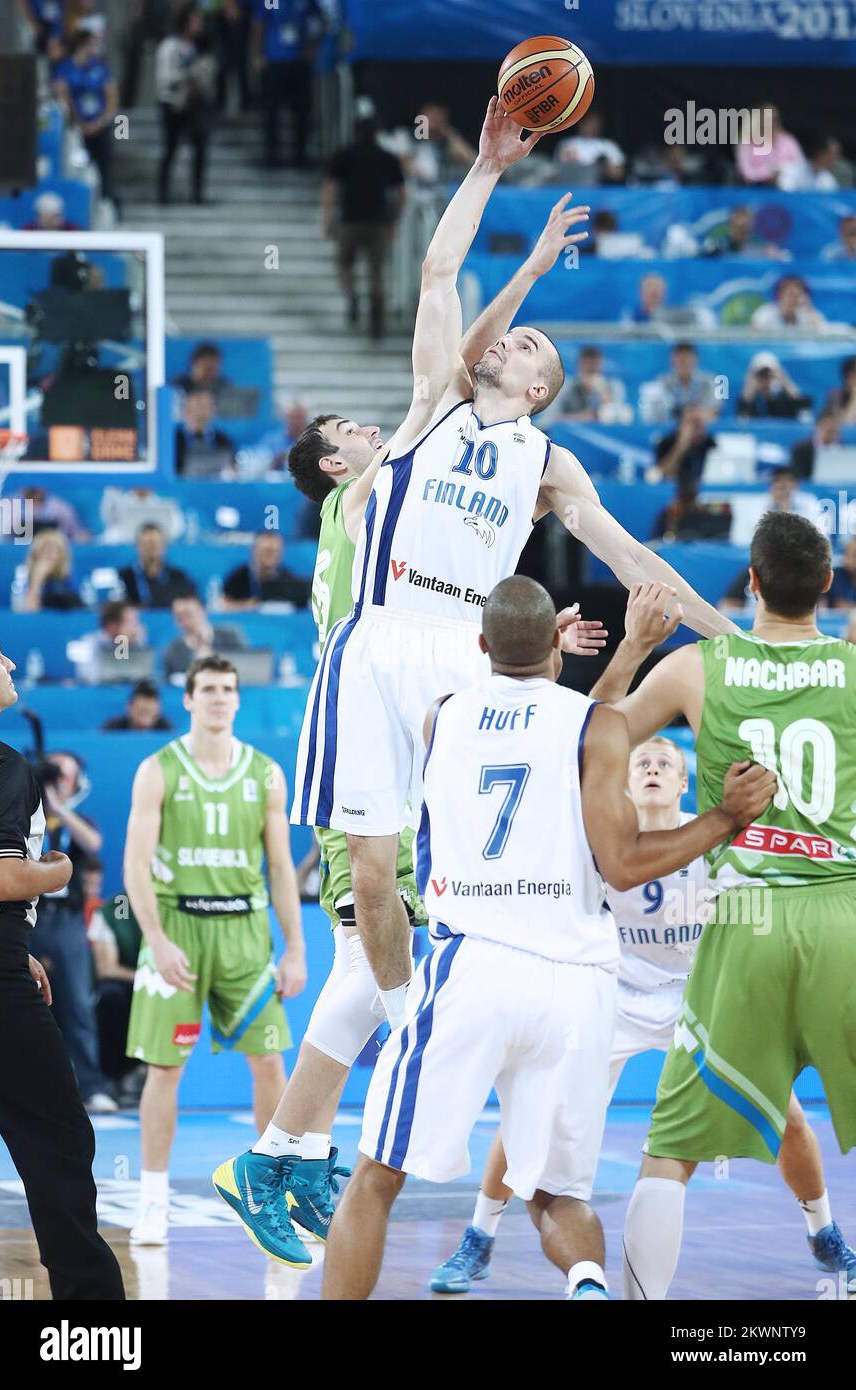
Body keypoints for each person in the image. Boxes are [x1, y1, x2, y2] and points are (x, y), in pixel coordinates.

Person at [213, 100, 734, 1269]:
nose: (515, 338)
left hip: (470, 664)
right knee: (366, 869)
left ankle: (387, 1093)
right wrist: (487, 168)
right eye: (512, 332)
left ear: (543, 384)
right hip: (382, 638)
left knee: (451, 885)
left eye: (533, 340)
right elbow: (443, 265)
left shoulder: (547, 461)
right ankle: (406, 1048)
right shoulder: (427, 411)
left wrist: (730, 635)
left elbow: (631, 560)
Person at [319, 576, 773, 1300]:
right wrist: (722, 818)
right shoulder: (593, 728)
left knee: (375, 1177)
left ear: (480, 647)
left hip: (474, 969)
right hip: (577, 982)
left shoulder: (442, 717)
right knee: (559, 1195)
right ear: (555, 654)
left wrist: (576, 652)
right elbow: (618, 852)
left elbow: (544, 709)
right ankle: (588, 1283)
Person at [433, 626, 854, 1294]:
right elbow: (577, 744)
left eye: (665, 764)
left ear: (685, 780)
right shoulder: (603, 829)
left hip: (697, 993)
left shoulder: (726, 835)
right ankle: (478, 1236)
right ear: (624, 778)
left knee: (788, 1117)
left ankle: (823, 1229)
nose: (653, 768)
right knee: (534, 1117)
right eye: (641, 764)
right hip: (617, 993)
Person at [584, 513, 856, 1300]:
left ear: (753, 582)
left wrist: (633, 649)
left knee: (670, 1151)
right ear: (828, 586)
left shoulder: (699, 668)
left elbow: (595, 740)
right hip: (842, 905)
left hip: (744, 913)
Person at [123, 655, 306, 1246]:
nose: (220, 698)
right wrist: (154, 939)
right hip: (178, 929)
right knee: (164, 1070)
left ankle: (267, 1196)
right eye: (208, 689)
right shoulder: (158, 769)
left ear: (237, 698)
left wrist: (295, 948)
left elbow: (280, 867)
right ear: (188, 698)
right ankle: (153, 1199)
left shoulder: (265, 774)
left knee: (271, 1064)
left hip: (245, 936)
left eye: (229, 689)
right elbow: (134, 864)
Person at [0, 633, 124, 1299]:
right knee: (60, 1146)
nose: (11, 662)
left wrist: (19, 946)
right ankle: (94, 1321)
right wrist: (60, 870)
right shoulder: (5, 765)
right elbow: (5, 878)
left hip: (7, 959)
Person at [31, 751, 117, 1112]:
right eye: (55, 774)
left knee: (78, 1003)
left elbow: (93, 844)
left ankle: (90, 1085)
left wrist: (59, 806)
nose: (59, 781)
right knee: (22, 1001)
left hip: (67, 920)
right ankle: (26, 1086)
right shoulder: (27, 814)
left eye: (65, 776)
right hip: (31, 914)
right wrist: (38, 797)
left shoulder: (77, 820)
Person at [323, 117, 406, 340]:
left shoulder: (344, 155)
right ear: (377, 133)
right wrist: (394, 220)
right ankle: (377, 324)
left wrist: (327, 219)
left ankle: (351, 295)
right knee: (377, 274)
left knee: (343, 263)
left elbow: (330, 188)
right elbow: (401, 193)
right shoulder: (387, 158)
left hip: (349, 221)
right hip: (378, 223)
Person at [87, 891, 144, 1105]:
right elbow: (106, 968)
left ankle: (148, 1071)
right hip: (128, 986)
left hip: (166, 983)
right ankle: (117, 1074)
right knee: (110, 996)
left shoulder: (174, 904)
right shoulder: (113, 911)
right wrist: (145, 978)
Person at [252, 0, 323, 169]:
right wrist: (257, 53)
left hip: (299, 61)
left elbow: (318, 22)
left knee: (302, 110)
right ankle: (271, 155)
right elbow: (259, 23)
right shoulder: (272, 1)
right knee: (271, 111)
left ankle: (300, 155)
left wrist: (312, 49)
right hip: (275, 60)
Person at [53, 29, 119, 209]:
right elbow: (62, 98)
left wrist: (99, 123)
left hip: (100, 128)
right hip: (76, 130)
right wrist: (79, 124)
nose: (96, 47)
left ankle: (108, 207)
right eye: (92, 43)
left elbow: (112, 100)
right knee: (78, 171)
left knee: (105, 170)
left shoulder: (101, 68)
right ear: (82, 44)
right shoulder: (65, 68)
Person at [155, 4, 214, 205]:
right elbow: (164, 77)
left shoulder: (200, 46)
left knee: (200, 146)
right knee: (171, 148)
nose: (199, 25)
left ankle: (197, 192)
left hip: (194, 103)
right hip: (172, 103)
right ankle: (162, 193)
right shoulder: (169, 46)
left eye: (201, 21)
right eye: (195, 21)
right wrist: (188, 77)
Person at [729, 467, 825, 548]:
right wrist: (781, 508)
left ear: (796, 484)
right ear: (771, 485)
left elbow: (819, 534)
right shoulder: (758, 504)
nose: (783, 486)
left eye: (789, 481)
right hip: (766, 555)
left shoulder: (809, 502)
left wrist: (787, 508)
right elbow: (758, 533)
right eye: (778, 481)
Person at [163, 593, 247, 682]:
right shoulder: (173, 650)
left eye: (188, 614)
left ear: (202, 611)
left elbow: (244, 666)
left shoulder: (230, 636)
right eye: (179, 616)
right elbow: (168, 682)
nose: (184, 620)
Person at [220, 531, 309, 610]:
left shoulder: (289, 579)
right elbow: (222, 604)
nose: (271, 557)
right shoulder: (238, 577)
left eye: (276, 551)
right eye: (267, 551)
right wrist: (244, 606)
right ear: (254, 549)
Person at [118, 522, 197, 609]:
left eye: (155, 544)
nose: (151, 548)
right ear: (137, 546)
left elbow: (192, 607)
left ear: (165, 546)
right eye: (146, 544)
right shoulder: (124, 577)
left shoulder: (179, 578)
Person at [73, 600, 148, 686]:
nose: (135, 628)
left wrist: (134, 646)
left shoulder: (135, 643)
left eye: (136, 622)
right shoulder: (86, 642)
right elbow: (86, 676)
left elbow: (143, 677)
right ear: (112, 625)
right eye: (130, 623)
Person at [641, 344, 718, 426]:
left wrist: (689, 415)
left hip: (702, 428)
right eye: (680, 360)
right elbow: (657, 416)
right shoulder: (662, 382)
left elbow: (714, 412)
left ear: (696, 359)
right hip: (671, 430)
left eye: (687, 359)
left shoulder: (710, 381)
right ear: (672, 360)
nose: (684, 363)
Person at [555, 345, 631, 423]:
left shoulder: (614, 386)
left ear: (601, 365)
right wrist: (586, 416)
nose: (590, 368)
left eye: (594, 365)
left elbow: (620, 419)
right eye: (586, 364)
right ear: (578, 366)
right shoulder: (566, 386)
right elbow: (552, 419)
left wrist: (604, 394)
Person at [647, 405, 716, 488]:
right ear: (680, 425)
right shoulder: (666, 443)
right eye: (691, 423)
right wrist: (681, 446)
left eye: (699, 423)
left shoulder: (711, 444)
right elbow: (662, 474)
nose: (696, 428)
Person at [735, 104, 804, 186]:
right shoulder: (746, 143)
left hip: (787, 192)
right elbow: (746, 173)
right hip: (754, 191)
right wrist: (769, 174)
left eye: (775, 120)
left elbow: (802, 167)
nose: (772, 124)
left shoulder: (788, 141)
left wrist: (783, 172)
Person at [16, 529, 84, 612]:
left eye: (58, 552)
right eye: (48, 552)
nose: (54, 557)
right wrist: (36, 581)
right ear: (36, 555)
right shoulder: (26, 578)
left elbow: (77, 610)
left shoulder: (69, 577)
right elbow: (29, 612)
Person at [174, 387, 236, 477]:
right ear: (186, 409)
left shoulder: (223, 440)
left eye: (208, 406)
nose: (203, 411)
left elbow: (233, 468)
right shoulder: (173, 441)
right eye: (199, 405)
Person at [554, 111, 625, 184]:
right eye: (589, 122)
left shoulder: (609, 145)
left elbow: (619, 174)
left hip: (601, 190)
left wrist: (605, 168)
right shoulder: (568, 144)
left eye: (595, 123)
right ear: (581, 123)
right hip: (573, 187)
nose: (593, 126)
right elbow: (557, 171)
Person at [737, 351, 812, 420]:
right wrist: (749, 389)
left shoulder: (785, 399)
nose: (766, 379)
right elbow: (742, 419)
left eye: (769, 375)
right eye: (762, 375)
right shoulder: (752, 401)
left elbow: (804, 410)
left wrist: (785, 382)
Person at [701, 204, 785, 259]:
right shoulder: (719, 232)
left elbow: (766, 250)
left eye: (748, 219)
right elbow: (707, 249)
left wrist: (771, 252)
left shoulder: (754, 238)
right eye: (740, 217)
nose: (743, 222)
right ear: (732, 218)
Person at [751, 275, 830, 334]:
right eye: (790, 294)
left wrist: (809, 308)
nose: (794, 299)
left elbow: (823, 334)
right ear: (779, 295)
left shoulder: (807, 314)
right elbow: (754, 336)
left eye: (798, 295)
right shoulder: (765, 313)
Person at [790, 407, 843, 481]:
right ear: (819, 427)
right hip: (812, 490)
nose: (833, 435)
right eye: (830, 431)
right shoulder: (801, 449)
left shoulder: (844, 449)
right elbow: (798, 478)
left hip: (840, 490)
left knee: (845, 491)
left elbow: (846, 481)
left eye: (836, 431)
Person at [101, 680, 174, 732]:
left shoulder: (166, 731)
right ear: (129, 707)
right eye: (142, 711)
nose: (147, 706)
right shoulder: (113, 730)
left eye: (150, 712)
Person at [823, 356, 856, 424]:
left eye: (853, 376)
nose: (850, 380)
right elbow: (822, 422)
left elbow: (848, 422)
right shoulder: (834, 395)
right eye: (847, 376)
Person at [827, 536, 856, 609]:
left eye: (853, 556)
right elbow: (839, 605)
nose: (846, 560)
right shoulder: (835, 574)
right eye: (846, 554)